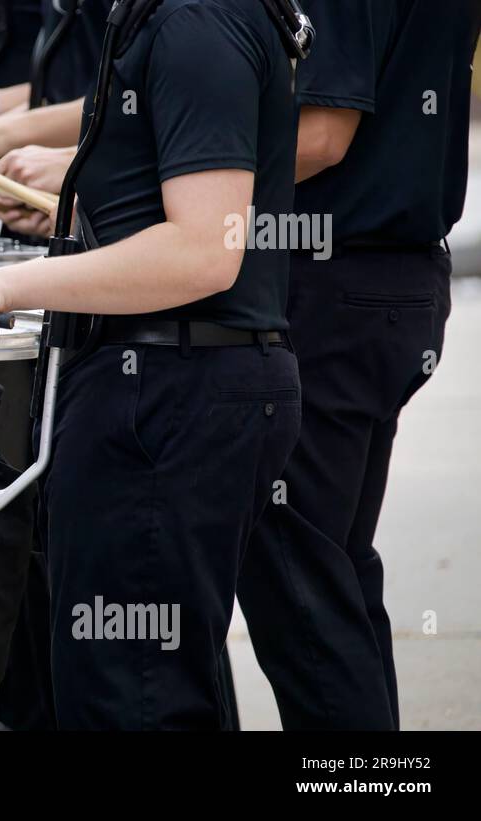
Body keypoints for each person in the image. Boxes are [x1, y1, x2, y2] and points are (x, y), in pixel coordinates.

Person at [0, 0, 303, 728]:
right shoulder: (158, 17)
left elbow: (204, 252)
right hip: (151, 387)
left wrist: (0, 287)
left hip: (173, 400)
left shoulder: (196, 20)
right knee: (124, 691)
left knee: (138, 702)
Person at [235, 0, 481, 729]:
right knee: (332, 567)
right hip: (384, 285)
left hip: (336, 287)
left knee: (298, 578)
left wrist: (177, 183)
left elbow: (321, 136)